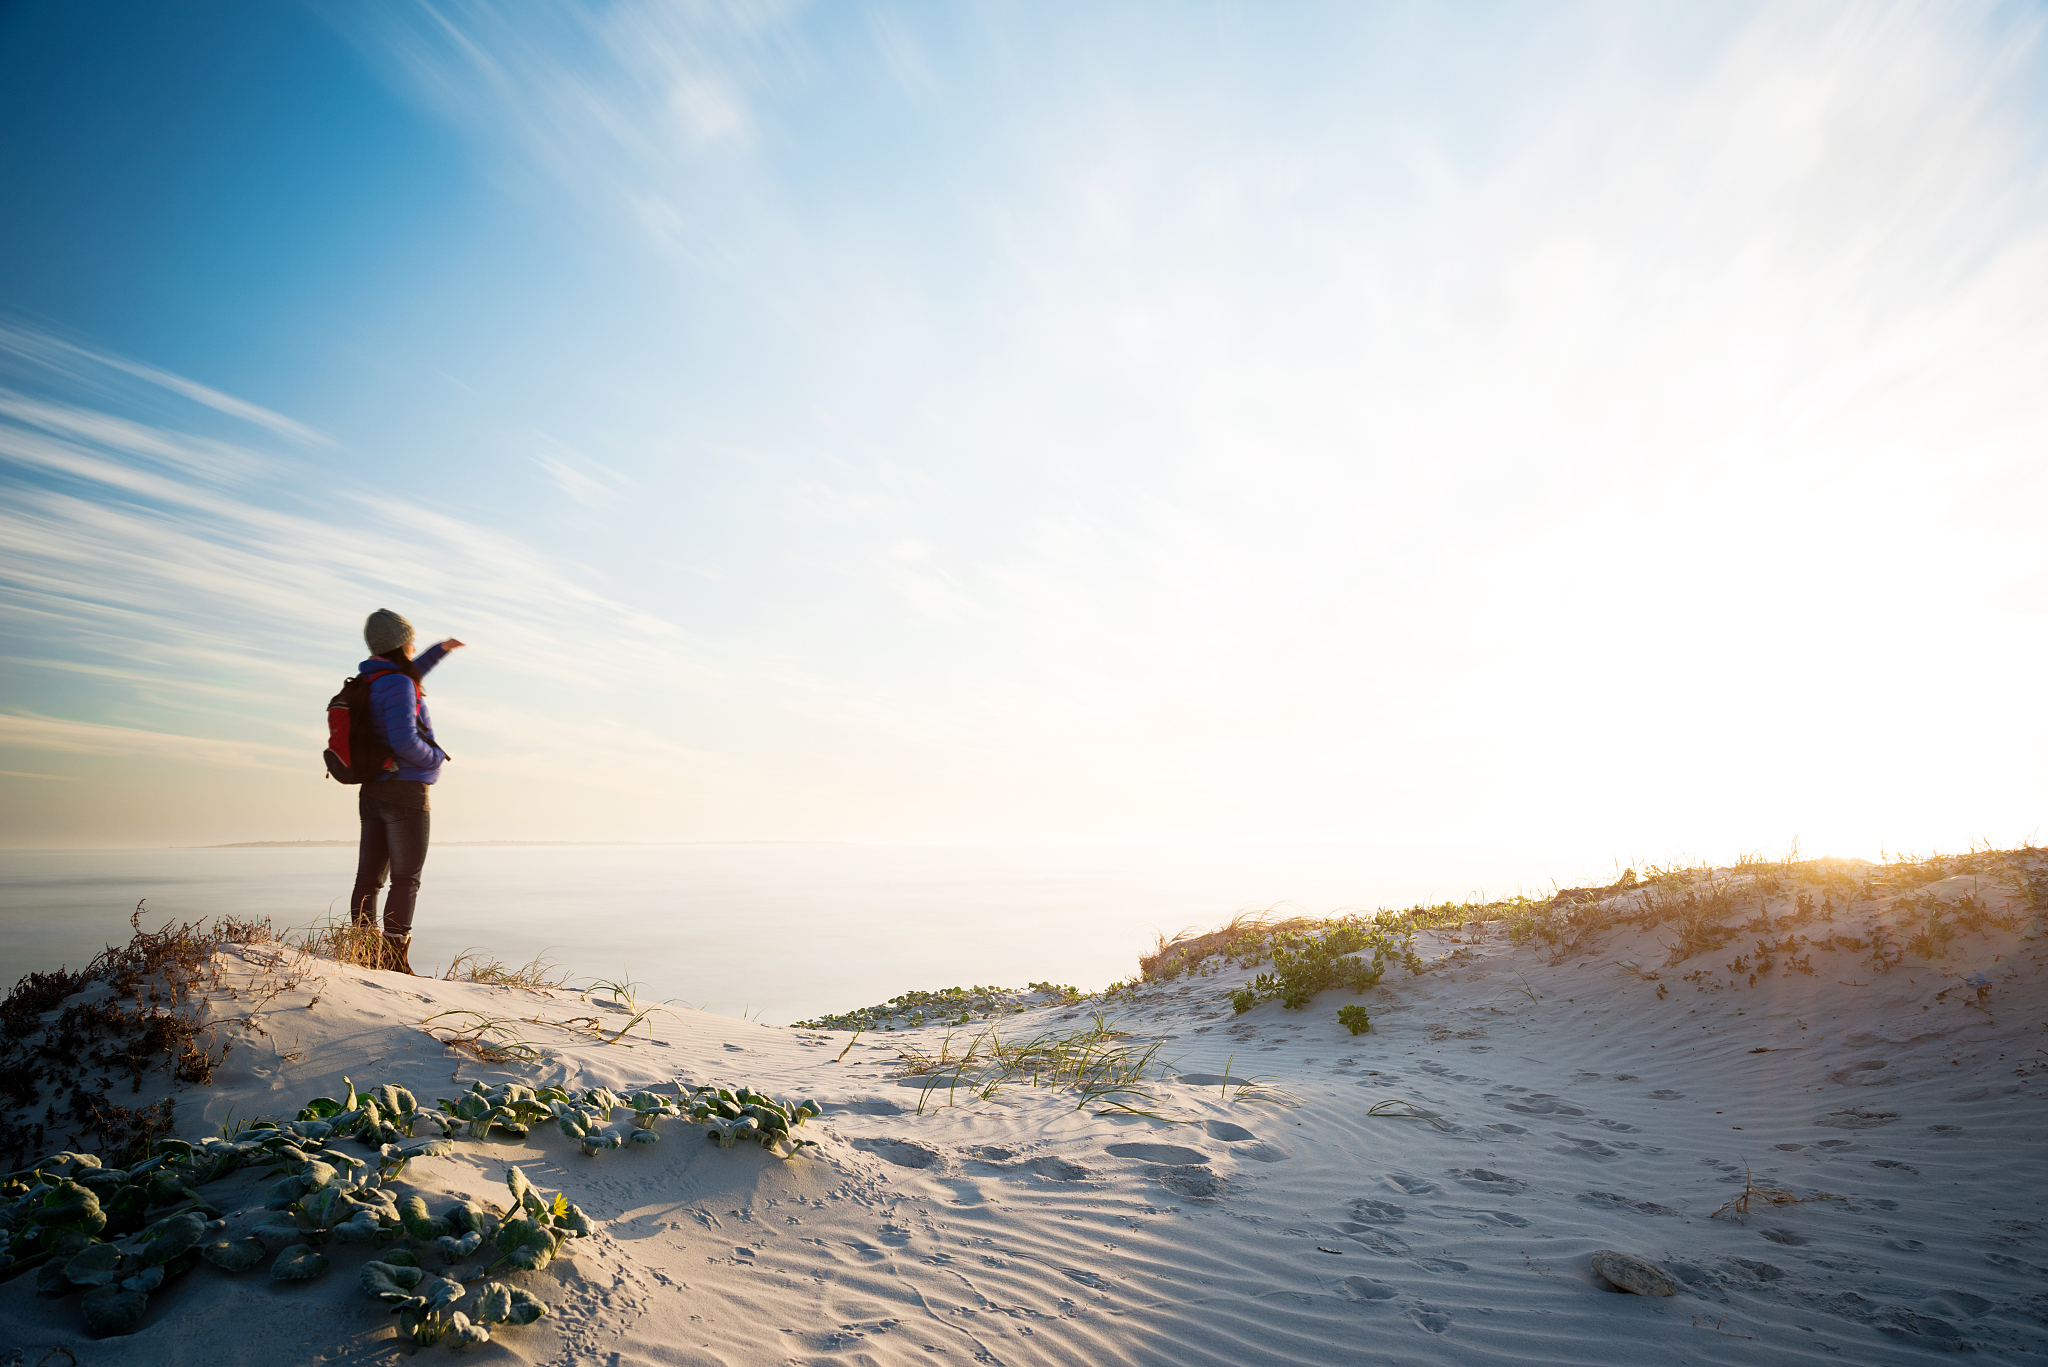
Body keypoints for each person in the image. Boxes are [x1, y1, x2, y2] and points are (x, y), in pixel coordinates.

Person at [346, 608, 464, 974]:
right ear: (400, 645)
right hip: (407, 791)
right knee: (405, 879)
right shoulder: (398, 683)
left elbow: (410, 673)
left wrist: (440, 649)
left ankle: (363, 955)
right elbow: (404, 739)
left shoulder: (375, 679)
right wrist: (434, 759)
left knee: (368, 878)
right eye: (411, 641)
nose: (414, 647)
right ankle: (394, 962)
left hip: (373, 792)